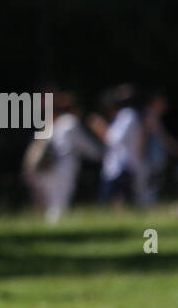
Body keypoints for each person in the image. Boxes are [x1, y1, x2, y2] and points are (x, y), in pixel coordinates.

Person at [22, 92, 101, 223]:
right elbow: (85, 146)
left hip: (46, 168)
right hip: (63, 168)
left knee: (51, 203)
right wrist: (101, 153)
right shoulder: (70, 122)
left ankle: (49, 226)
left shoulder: (54, 123)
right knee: (59, 203)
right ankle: (53, 228)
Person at [91, 84, 144, 209]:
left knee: (117, 201)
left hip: (122, 166)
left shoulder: (128, 115)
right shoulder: (125, 115)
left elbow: (113, 139)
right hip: (118, 166)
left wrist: (98, 127)